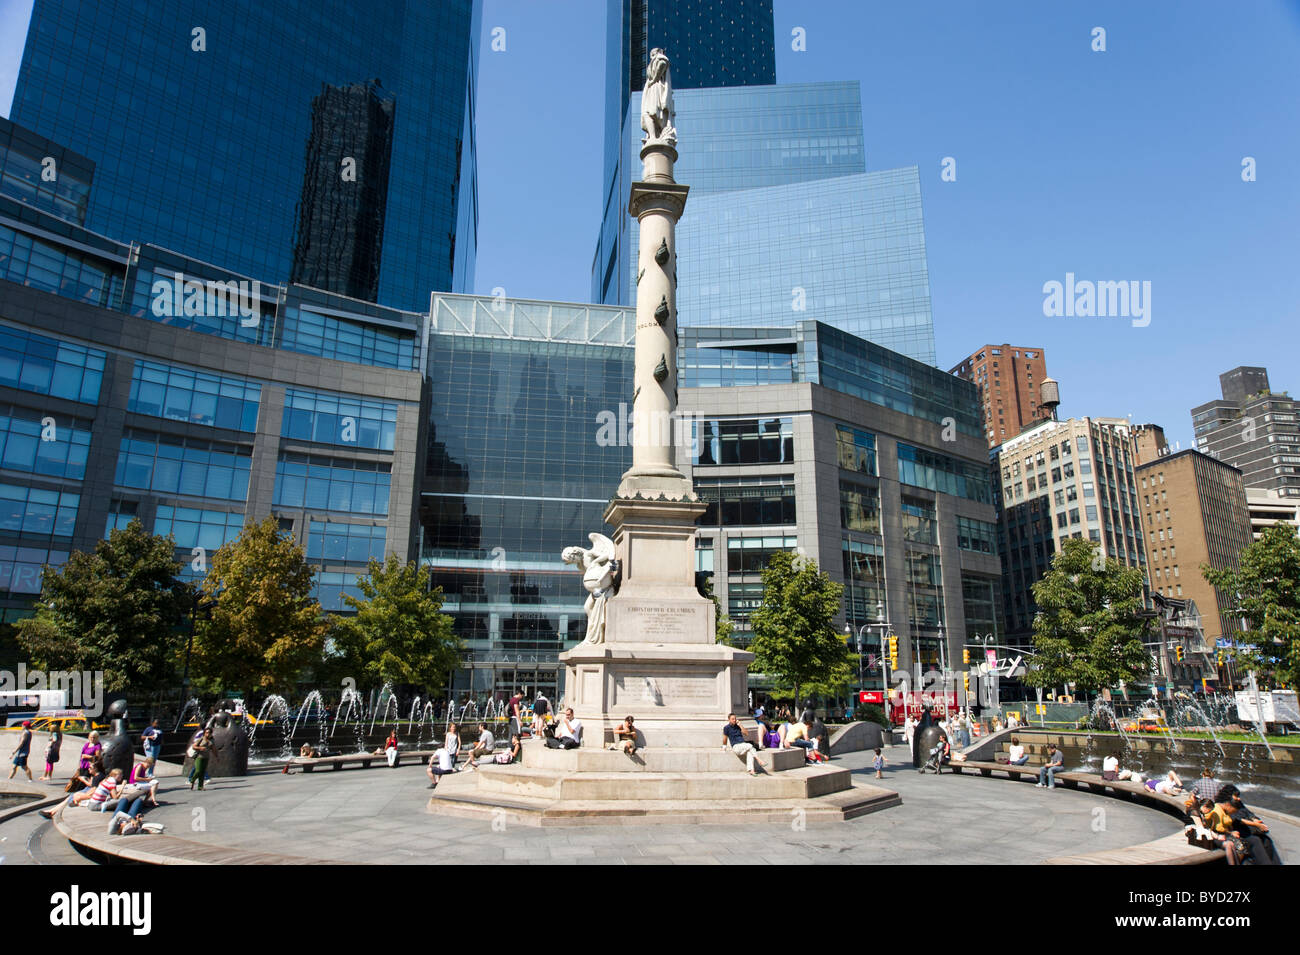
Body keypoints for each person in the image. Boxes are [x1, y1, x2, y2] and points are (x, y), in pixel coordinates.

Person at [1227, 787, 1284, 864]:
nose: (1239, 798)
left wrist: (1254, 819)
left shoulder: (1239, 804)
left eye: (1239, 796)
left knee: (1266, 840)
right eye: (1236, 796)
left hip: (1247, 829)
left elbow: (1249, 813)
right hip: (1238, 830)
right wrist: (1255, 824)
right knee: (1255, 840)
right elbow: (1236, 820)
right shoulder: (1228, 805)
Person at [427, 724, 460, 788]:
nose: (454, 728)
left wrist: (430, 765)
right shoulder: (448, 735)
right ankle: (438, 780)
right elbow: (446, 742)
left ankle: (434, 784)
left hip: (453, 750)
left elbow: (432, 757)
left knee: (429, 770)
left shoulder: (439, 751)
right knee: (440, 766)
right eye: (452, 727)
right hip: (449, 756)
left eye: (454, 727)